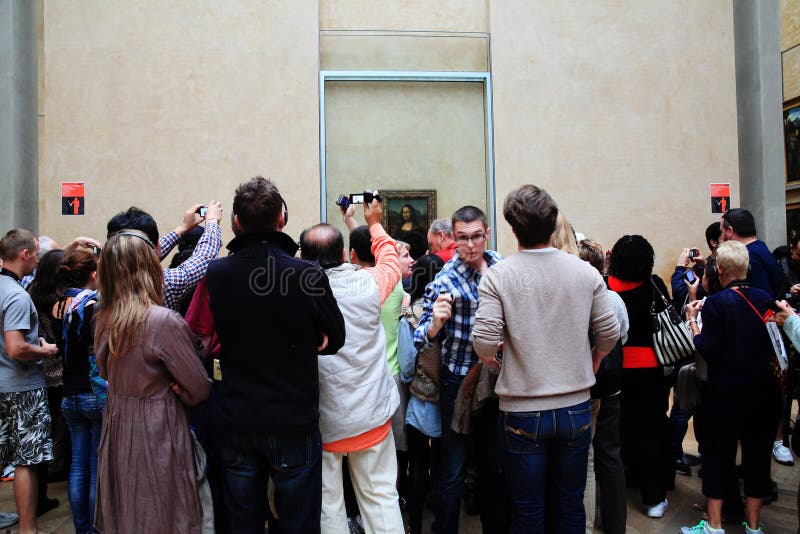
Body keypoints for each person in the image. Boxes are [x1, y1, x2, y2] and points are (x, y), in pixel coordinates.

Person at [190, 177, 345, 533]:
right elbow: (336, 338)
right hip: (294, 419)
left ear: (236, 223)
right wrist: (312, 336)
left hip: (237, 419)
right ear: (282, 220)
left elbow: (200, 341)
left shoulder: (217, 274)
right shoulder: (307, 274)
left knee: (241, 522)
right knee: (299, 523)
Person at [473, 186, 620, 533]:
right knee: (570, 503)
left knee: (527, 508)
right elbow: (610, 332)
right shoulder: (585, 272)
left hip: (521, 408)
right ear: (553, 224)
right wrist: (596, 357)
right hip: (575, 406)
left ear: (513, 229)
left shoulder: (499, 275)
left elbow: (484, 342)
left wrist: (497, 364)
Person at [93, 229, 212, 533]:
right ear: (149, 266)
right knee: (163, 511)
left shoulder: (105, 318)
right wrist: (181, 389)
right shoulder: (163, 320)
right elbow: (198, 388)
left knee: (128, 510)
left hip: (118, 421)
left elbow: (105, 372)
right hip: (157, 426)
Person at [301, 193, 404, 534]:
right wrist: (373, 223)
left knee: (328, 506)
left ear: (302, 258)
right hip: (370, 413)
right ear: (344, 255)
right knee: (381, 498)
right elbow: (389, 259)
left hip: (324, 421)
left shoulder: (295, 293)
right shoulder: (369, 284)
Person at [680, 241, 781, 534]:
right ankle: (753, 526)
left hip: (726, 393)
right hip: (764, 390)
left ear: (720, 270)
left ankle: (713, 525)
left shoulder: (718, 303)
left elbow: (707, 348)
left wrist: (692, 322)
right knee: (757, 458)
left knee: (718, 457)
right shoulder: (765, 299)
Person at [413, 205, 502, 534]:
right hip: (459, 381)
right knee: (453, 467)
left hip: (497, 379)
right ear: (453, 238)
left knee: (493, 466)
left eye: (476, 236)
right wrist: (435, 324)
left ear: (486, 234)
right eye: (462, 238)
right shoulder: (445, 280)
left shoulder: (501, 268)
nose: (470, 245)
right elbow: (420, 338)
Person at [608, 234, 674, 518]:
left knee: (619, 429)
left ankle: (621, 486)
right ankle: (654, 498)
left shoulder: (606, 287)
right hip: (650, 370)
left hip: (616, 368)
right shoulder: (654, 285)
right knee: (651, 431)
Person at [719, 208, 792, 466]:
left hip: (761, 340)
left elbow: (759, 300)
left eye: (722, 230)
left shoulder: (750, 255)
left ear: (730, 231)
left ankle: (775, 440)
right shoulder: (762, 250)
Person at [0, 229, 59, 534]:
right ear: (24, 254)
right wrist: (44, 350)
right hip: (20, 387)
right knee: (26, 460)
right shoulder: (17, 295)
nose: (37, 259)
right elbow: (16, 348)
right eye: (36, 253)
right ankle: (28, 529)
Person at [578, 238, 629, 534]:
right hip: (611, 387)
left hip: (585, 388)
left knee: (586, 461)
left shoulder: (577, 298)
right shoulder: (614, 299)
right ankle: (615, 524)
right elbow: (622, 336)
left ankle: (584, 524)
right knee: (610, 455)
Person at [55, 249, 103, 534]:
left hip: (68, 391)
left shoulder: (59, 305)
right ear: (93, 274)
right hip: (92, 391)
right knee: (95, 468)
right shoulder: (92, 305)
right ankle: (95, 529)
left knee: (77, 465)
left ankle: (81, 528)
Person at [398, 253, 445, 534]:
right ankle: (443, 524)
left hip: (419, 401)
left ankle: (414, 526)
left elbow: (405, 368)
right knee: (445, 470)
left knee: (417, 467)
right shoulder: (455, 313)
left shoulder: (411, 316)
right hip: (449, 403)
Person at [106, 201, 223, 311]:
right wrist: (212, 221)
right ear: (157, 247)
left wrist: (182, 228)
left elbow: (140, 253)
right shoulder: (162, 285)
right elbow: (204, 258)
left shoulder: (103, 289)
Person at [26, 248, 68, 516]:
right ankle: (57, 469)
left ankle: (42, 487)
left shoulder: (31, 291)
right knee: (62, 430)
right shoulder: (62, 298)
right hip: (60, 370)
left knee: (44, 431)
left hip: (38, 373)